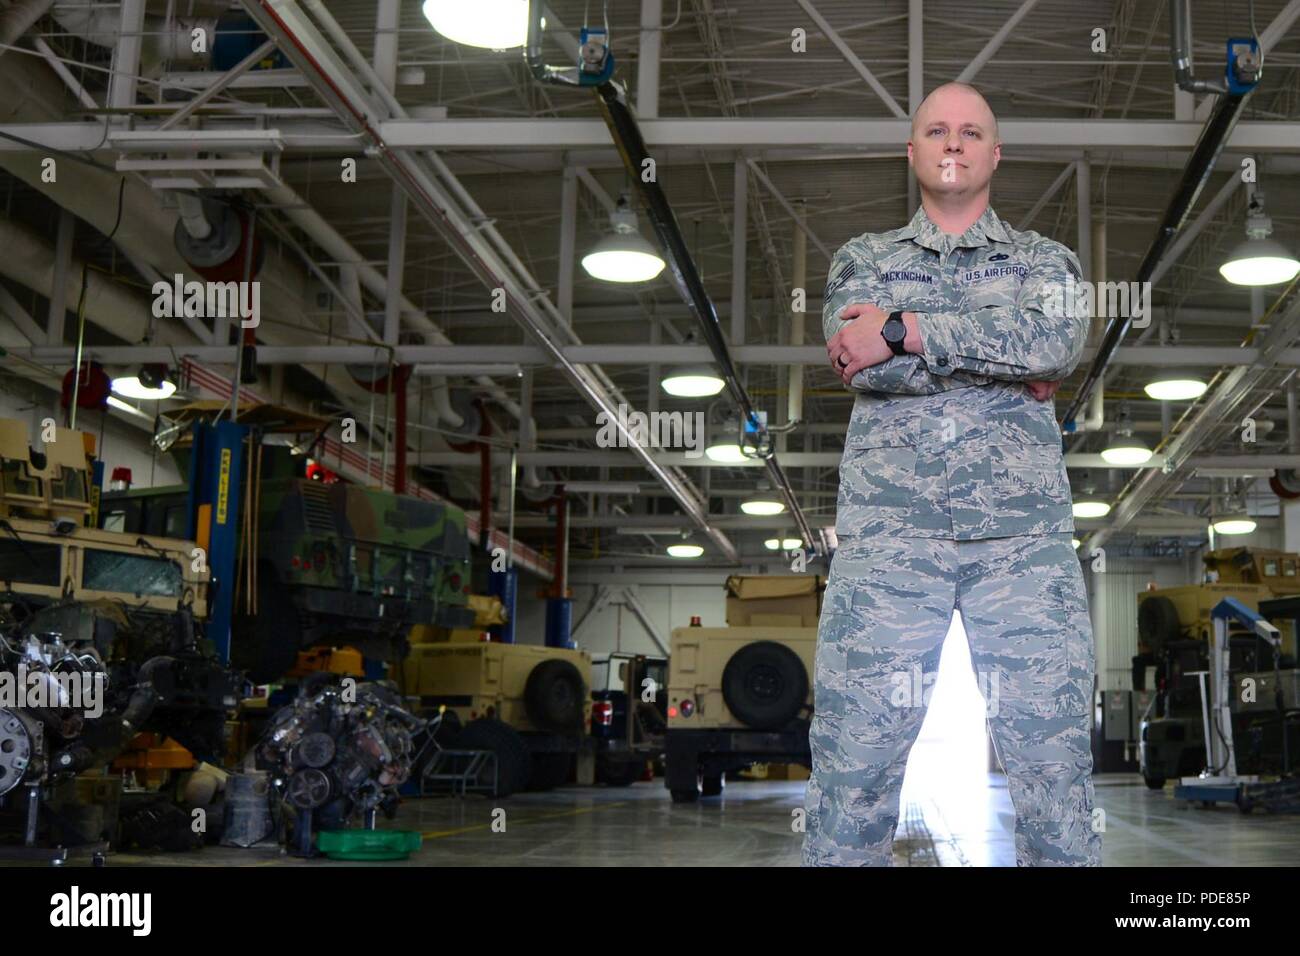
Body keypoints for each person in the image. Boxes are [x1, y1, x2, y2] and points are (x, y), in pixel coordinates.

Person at [802, 82, 1101, 866]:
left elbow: (1054, 344)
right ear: (913, 153)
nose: (954, 142)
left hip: (1022, 545)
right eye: (936, 130)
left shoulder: (1046, 260)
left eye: (971, 131)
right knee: (852, 767)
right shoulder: (862, 259)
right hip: (889, 543)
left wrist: (905, 331)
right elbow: (859, 367)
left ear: (995, 154)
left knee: (1054, 771)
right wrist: (1000, 361)